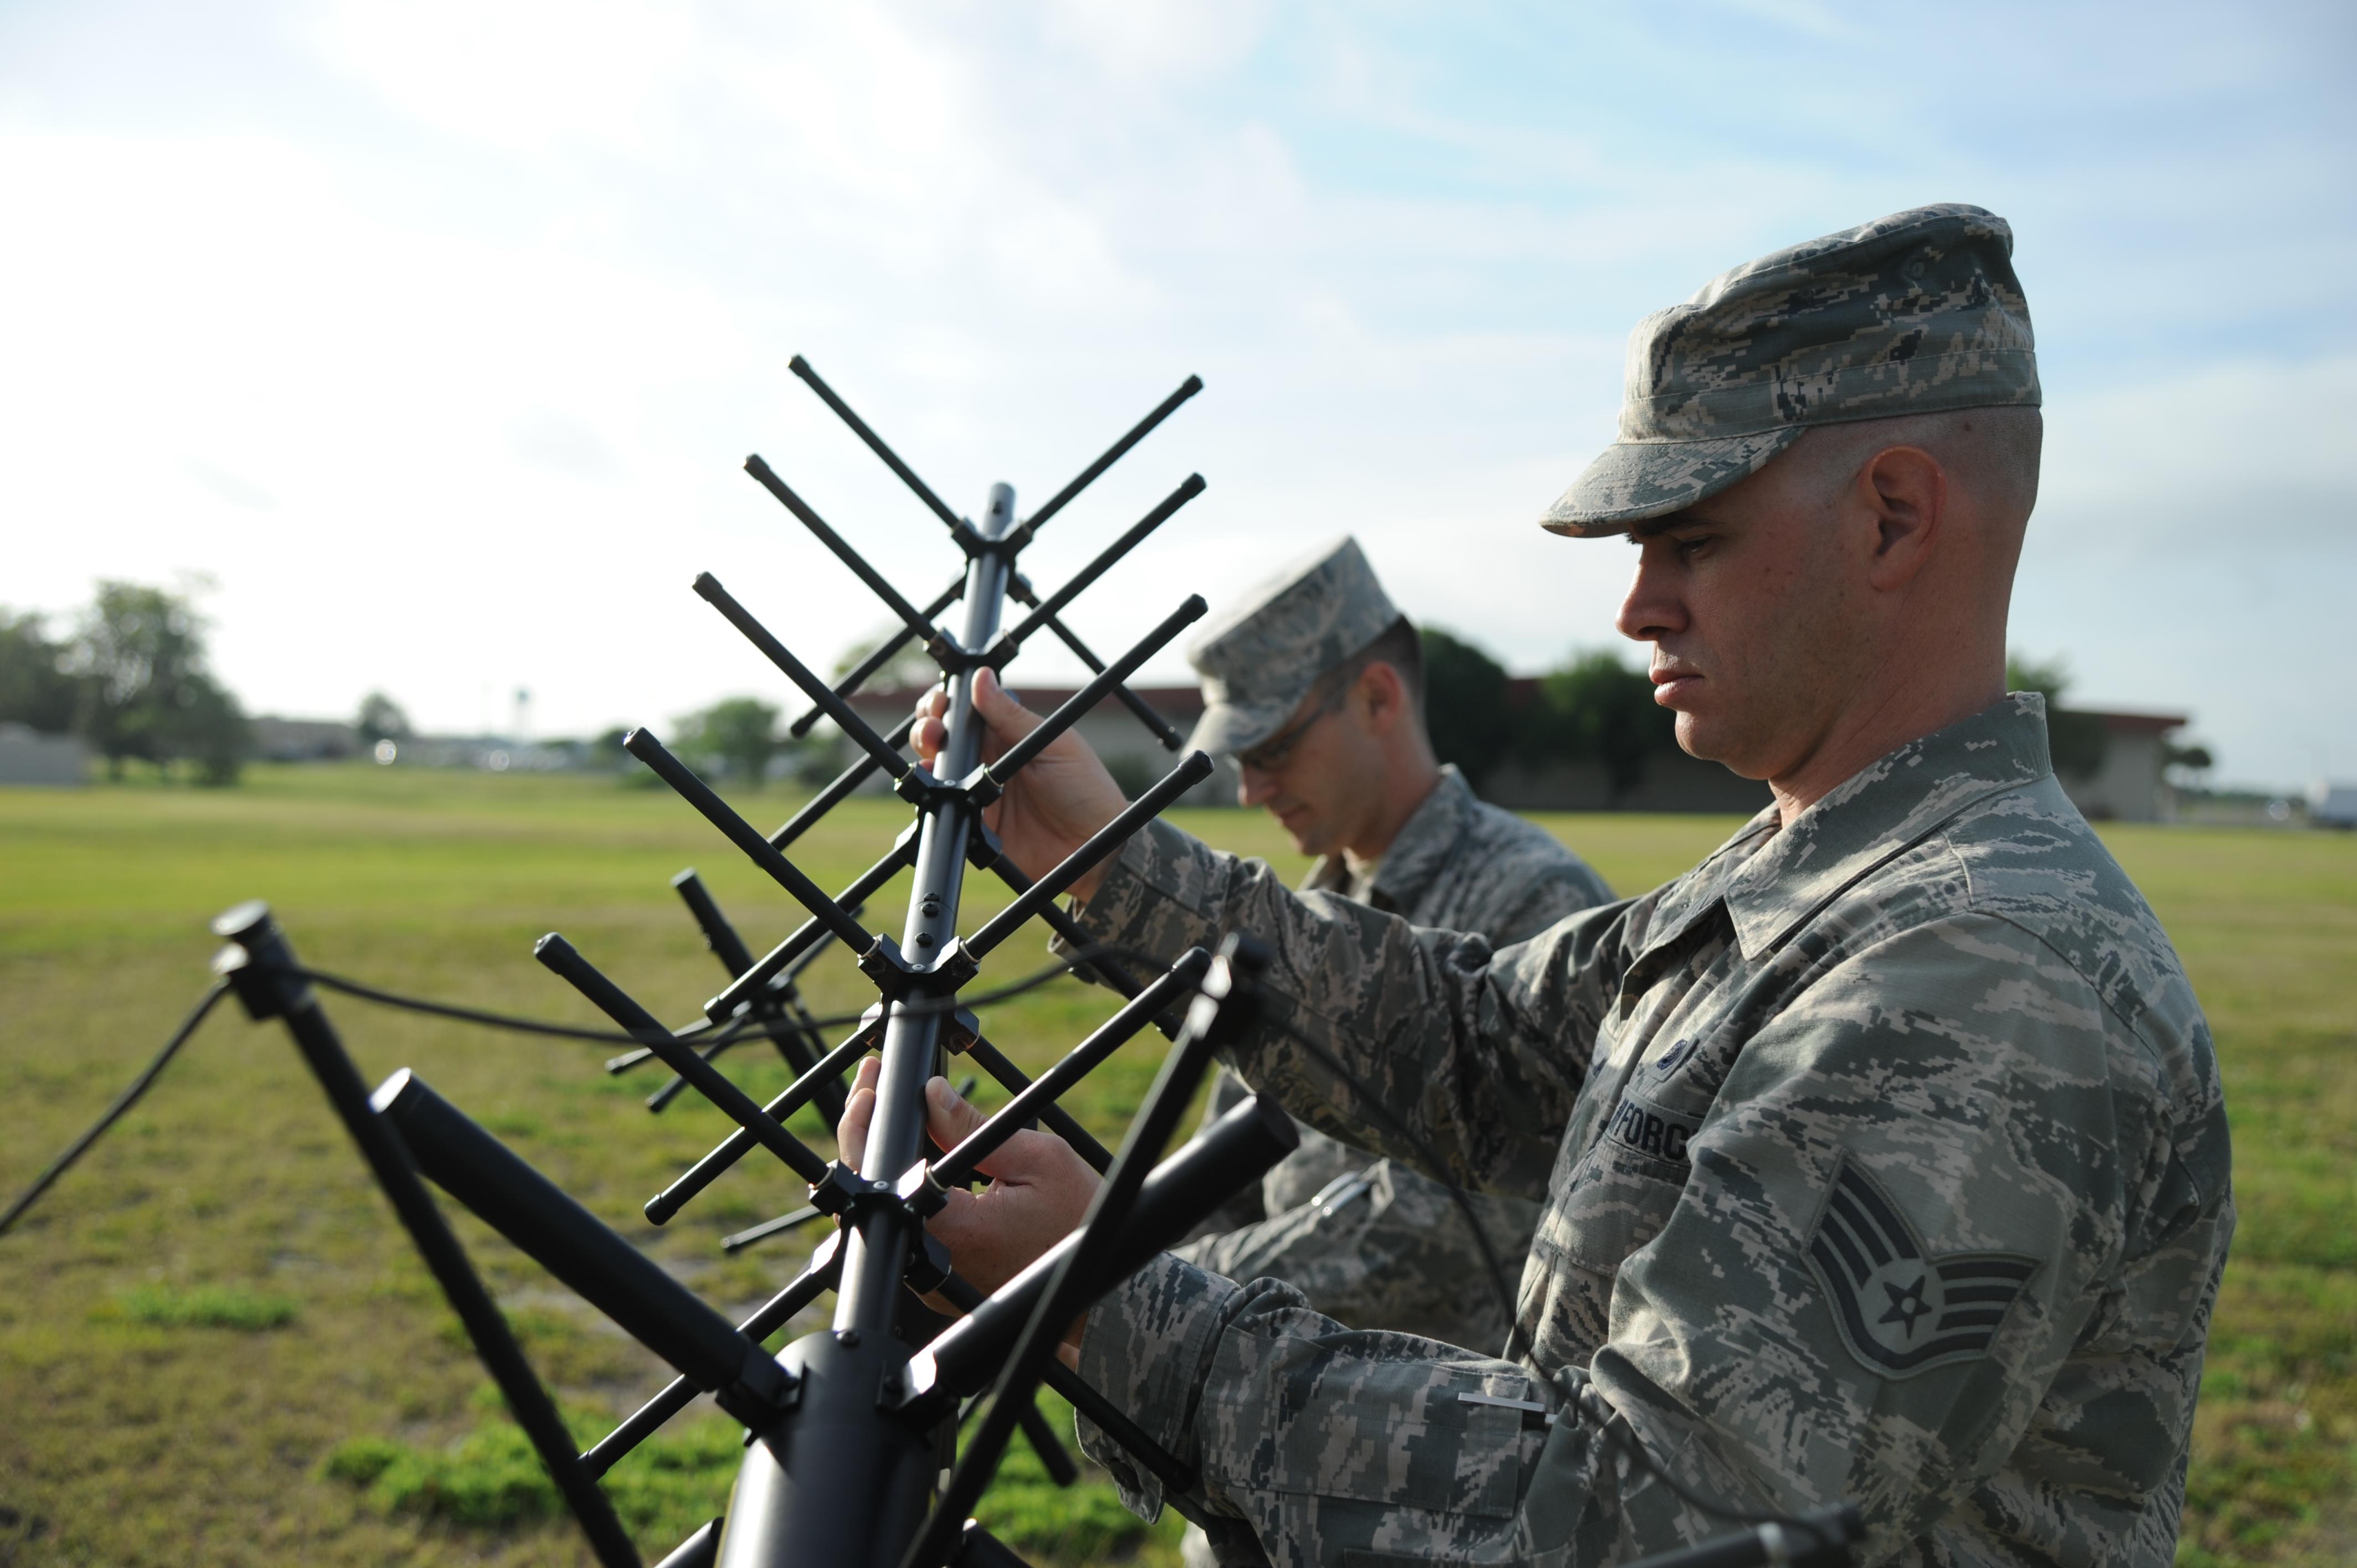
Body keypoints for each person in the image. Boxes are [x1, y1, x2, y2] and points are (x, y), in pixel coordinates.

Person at [843, 205, 2232, 1565]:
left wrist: (1118, 1304)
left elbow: (1657, 1514)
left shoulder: (1980, 972)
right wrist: (1112, 867)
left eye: (1690, 539)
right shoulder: (1809, 883)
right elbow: (1472, 1044)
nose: (1636, 607)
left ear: (1890, 517)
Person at [1175, 535, 1613, 1355]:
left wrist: (1181, 1288)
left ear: (1378, 700)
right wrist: (1148, 1266)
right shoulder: (1317, 904)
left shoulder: (1535, 902)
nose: (1251, 790)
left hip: (1439, 1426)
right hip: (1278, 1387)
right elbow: (1227, 1150)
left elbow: (1441, 1224)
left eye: (1271, 750)